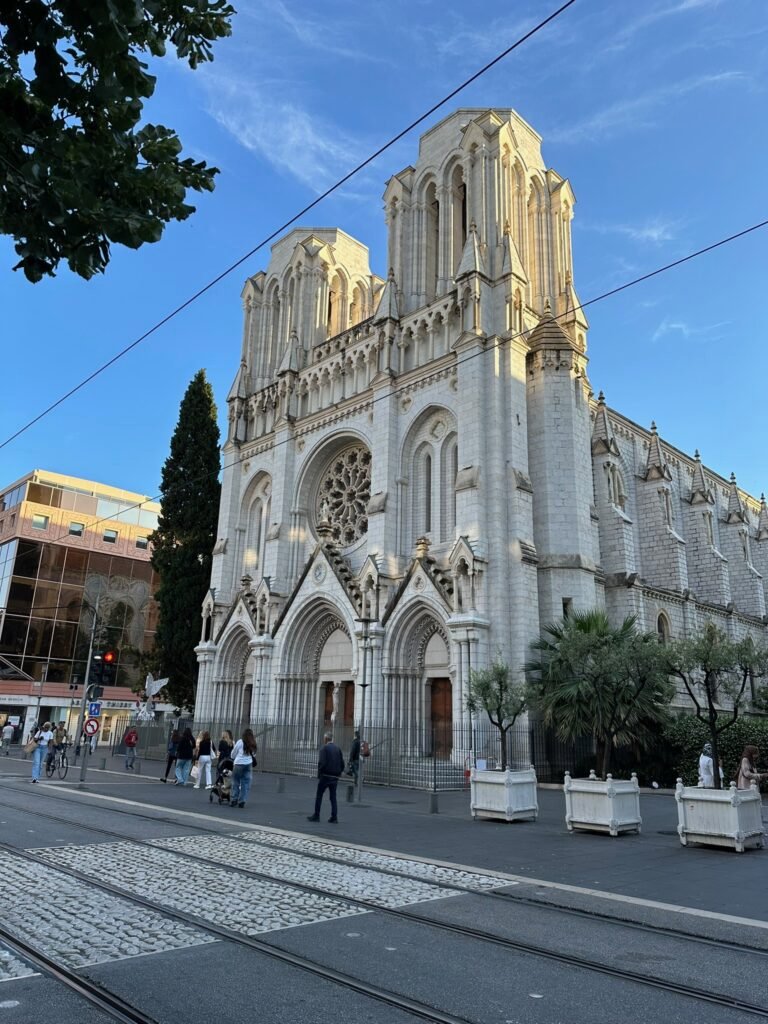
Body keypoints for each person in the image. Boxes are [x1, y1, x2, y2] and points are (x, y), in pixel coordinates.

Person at [308, 732, 345, 824]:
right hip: (335, 777)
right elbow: (342, 763)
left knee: (319, 795)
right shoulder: (338, 749)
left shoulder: (324, 748)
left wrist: (319, 774)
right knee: (333, 797)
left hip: (325, 776)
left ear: (325, 739)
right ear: (332, 739)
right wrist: (339, 772)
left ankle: (316, 815)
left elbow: (322, 763)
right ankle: (334, 816)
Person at [230, 728, 257, 808]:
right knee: (245, 784)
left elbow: (234, 752)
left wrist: (233, 757)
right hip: (248, 764)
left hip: (238, 764)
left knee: (236, 782)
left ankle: (234, 799)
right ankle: (242, 801)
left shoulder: (240, 742)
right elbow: (254, 755)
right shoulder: (253, 743)